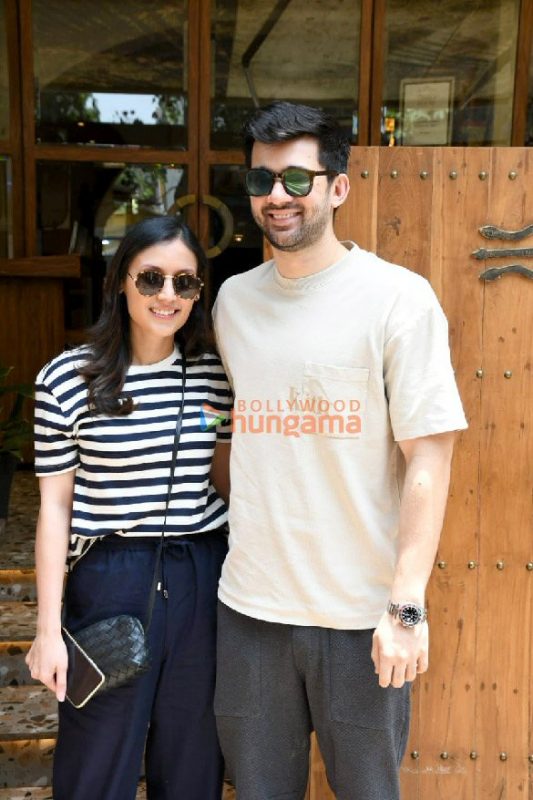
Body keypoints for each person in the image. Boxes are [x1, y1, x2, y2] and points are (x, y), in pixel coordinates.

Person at [212, 101, 468, 800]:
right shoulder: (232, 302)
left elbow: (429, 458)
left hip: (358, 621)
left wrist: (405, 608)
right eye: (263, 181)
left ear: (337, 187)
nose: (277, 197)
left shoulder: (397, 301)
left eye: (298, 179)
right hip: (250, 613)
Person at [26, 216, 232, 800]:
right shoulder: (67, 379)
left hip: (200, 572)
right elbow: (54, 510)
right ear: (121, 281)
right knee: (97, 759)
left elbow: (226, 483)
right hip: (109, 577)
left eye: (184, 283)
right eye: (151, 278)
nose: (168, 296)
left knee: (192, 755)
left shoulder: (216, 377)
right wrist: (46, 631)